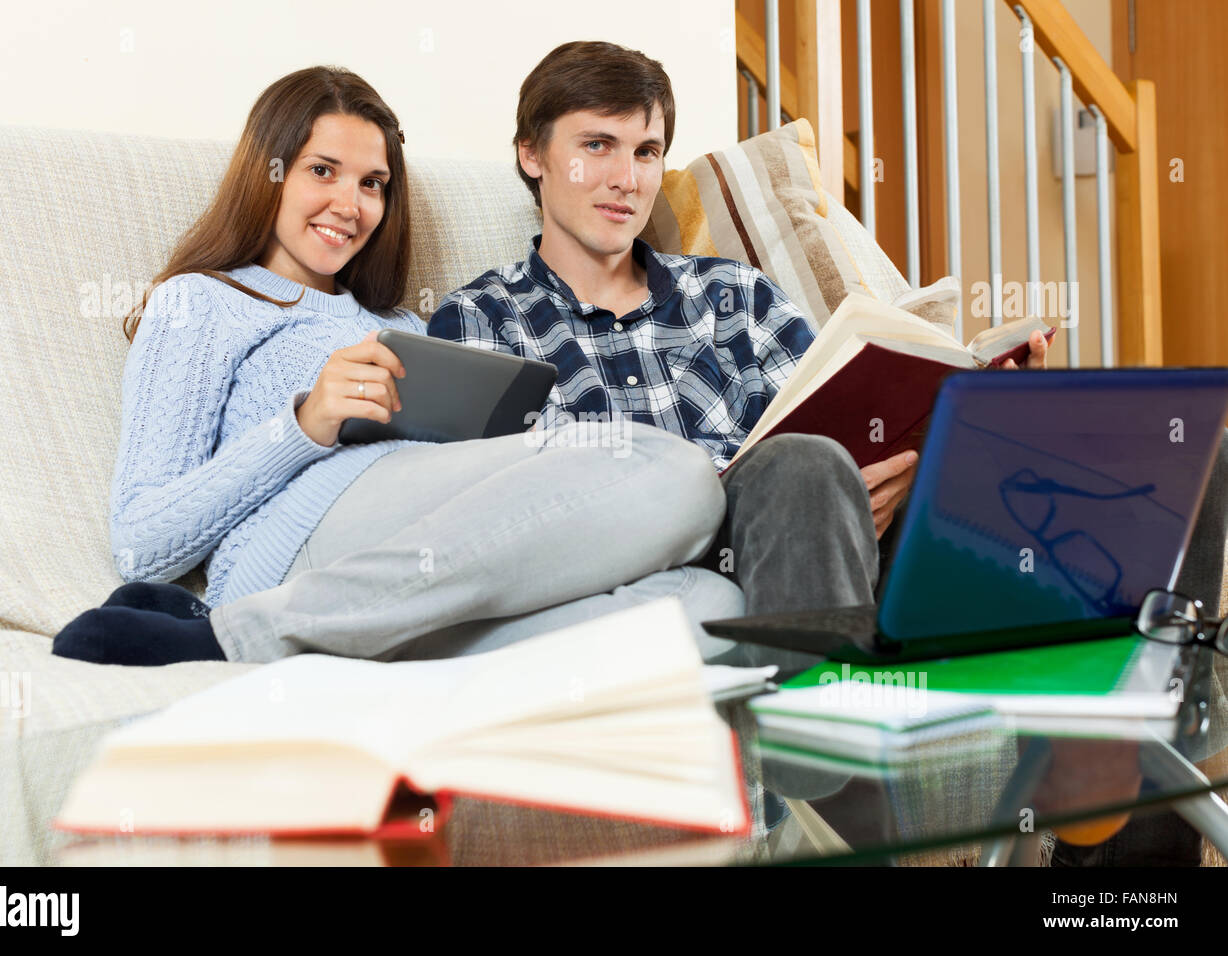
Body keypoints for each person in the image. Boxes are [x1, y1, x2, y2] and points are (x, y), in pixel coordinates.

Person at [427, 40, 1228, 863]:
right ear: (533, 154)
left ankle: (1147, 786)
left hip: (862, 527)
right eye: (596, 146)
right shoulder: (483, 323)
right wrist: (812, 476)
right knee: (803, 466)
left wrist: (944, 427)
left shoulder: (730, 293)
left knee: (1179, 450)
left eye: (645, 151)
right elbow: (516, 519)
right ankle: (832, 744)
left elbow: (834, 397)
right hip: (723, 548)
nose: (626, 178)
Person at [52, 64, 744, 668]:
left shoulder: (403, 328)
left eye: (373, 184)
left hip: (426, 566)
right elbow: (142, 547)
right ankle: (242, 636)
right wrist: (305, 424)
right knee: (676, 472)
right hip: (302, 543)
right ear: (269, 172)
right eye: (322, 171)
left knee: (713, 608)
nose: (349, 206)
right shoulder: (202, 302)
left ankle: (351, 654)